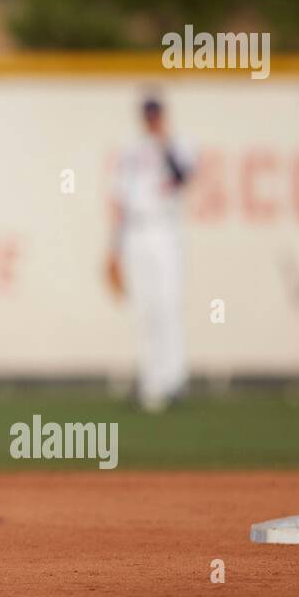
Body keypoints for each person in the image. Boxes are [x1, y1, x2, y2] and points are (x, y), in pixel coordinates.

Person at [107, 96, 193, 413]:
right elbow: (119, 199)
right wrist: (114, 248)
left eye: (156, 115)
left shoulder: (178, 144)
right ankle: (151, 381)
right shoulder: (130, 149)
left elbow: (183, 177)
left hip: (165, 230)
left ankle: (174, 380)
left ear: (163, 116)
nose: (151, 120)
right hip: (135, 233)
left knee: (167, 304)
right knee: (143, 309)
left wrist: (164, 143)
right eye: (148, 115)